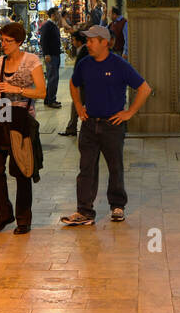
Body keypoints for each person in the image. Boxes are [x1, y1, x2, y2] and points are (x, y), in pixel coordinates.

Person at [61, 26, 152, 226]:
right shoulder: (85, 64)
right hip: (90, 124)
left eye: (92, 41)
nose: (88, 44)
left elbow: (144, 88)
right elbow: (73, 83)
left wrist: (129, 112)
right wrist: (78, 105)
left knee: (115, 167)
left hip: (112, 125)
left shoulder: (119, 65)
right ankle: (84, 211)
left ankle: (117, 206)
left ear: (104, 42)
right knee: (86, 168)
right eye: (87, 40)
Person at [0, 22, 46, 235]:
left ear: (19, 42)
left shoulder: (31, 61)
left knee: (22, 168)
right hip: (3, 114)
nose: (3, 45)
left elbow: (41, 92)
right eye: (1, 40)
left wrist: (17, 89)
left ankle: (23, 218)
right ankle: (3, 214)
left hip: (21, 116)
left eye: (8, 41)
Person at [59, 29, 88, 138]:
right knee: (76, 104)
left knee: (77, 104)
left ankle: (72, 128)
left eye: (73, 40)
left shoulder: (85, 50)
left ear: (79, 41)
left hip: (84, 84)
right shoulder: (82, 49)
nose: (72, 42)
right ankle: (72, 128)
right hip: (82, 83)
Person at [38, 8, 63, 108]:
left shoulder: (53, 25)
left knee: (52, 77)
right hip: (51, 56)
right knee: (53, 78)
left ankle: (48, 98)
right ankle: (51, 100)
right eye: (58, 14)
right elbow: (43, 40)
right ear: (53, 15)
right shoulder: (47, 26)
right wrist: (46, 54)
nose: (59, 15)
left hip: (55, 54)